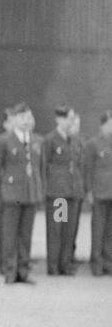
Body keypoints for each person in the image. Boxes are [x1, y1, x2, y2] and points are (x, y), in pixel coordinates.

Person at [0, 103, 45, 284]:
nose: (26, 121)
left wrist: (39, 191)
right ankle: (10, 270)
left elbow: (40, 169)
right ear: (13, 120)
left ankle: (23, 270)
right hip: (11, 195)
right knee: (10, 235)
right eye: (22, 118)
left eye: (28, 117)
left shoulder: (37, 141)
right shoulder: (5, 141)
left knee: (26, 235)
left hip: (30, 193)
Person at [44, 107, 84, 276]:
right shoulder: (51, 140)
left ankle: (65, 264)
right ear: (59, 120)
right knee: (56, 230)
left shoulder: (73, 139)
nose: (71, 122)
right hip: (58, 193)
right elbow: (44, 165)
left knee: (69, 230)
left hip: (72, 191)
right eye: (69, 118)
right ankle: (54, 266)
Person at [85, 111, 112, 276]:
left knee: (110, 230)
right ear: (103, 125)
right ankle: (96, 263)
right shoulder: (93, 144)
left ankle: (108, 262)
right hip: (99, 192)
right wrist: (89, 191)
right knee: (98, 229)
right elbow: (88, 169)